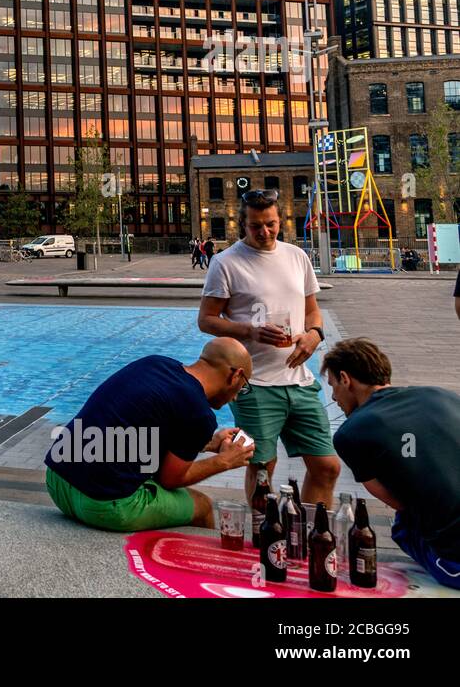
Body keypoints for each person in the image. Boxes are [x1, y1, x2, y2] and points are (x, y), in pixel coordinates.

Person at [198, 188, 339, 509]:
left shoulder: (296, 256)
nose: (265, 232)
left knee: (327, 467)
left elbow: (311, 310)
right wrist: (250, 331)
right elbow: (206, 320)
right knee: (263, 467)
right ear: (242, 225)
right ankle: (266, 535)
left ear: (280, 220)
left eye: (271, 224)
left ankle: (309, 532)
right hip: (254, 384)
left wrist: (315, 334)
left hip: (299, 381)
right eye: (256, 226)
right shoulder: (226, 263)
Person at [45, 338, 255, 532]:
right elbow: (170, 479)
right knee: (203, 505)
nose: (236, 397)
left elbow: (142, 427)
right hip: (103, 504)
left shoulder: (154, 364)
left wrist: (207, 444)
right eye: (242, 387)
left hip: (58, 482)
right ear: (236, 375)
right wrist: (224, 461)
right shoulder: (199, 413)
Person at [323, 339, 460, 589]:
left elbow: (398, 502)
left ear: (345, 378)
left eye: (332, 385)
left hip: (454, 556)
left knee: (403, 525)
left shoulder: (351, 433)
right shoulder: (442, 395)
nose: (333, 397)